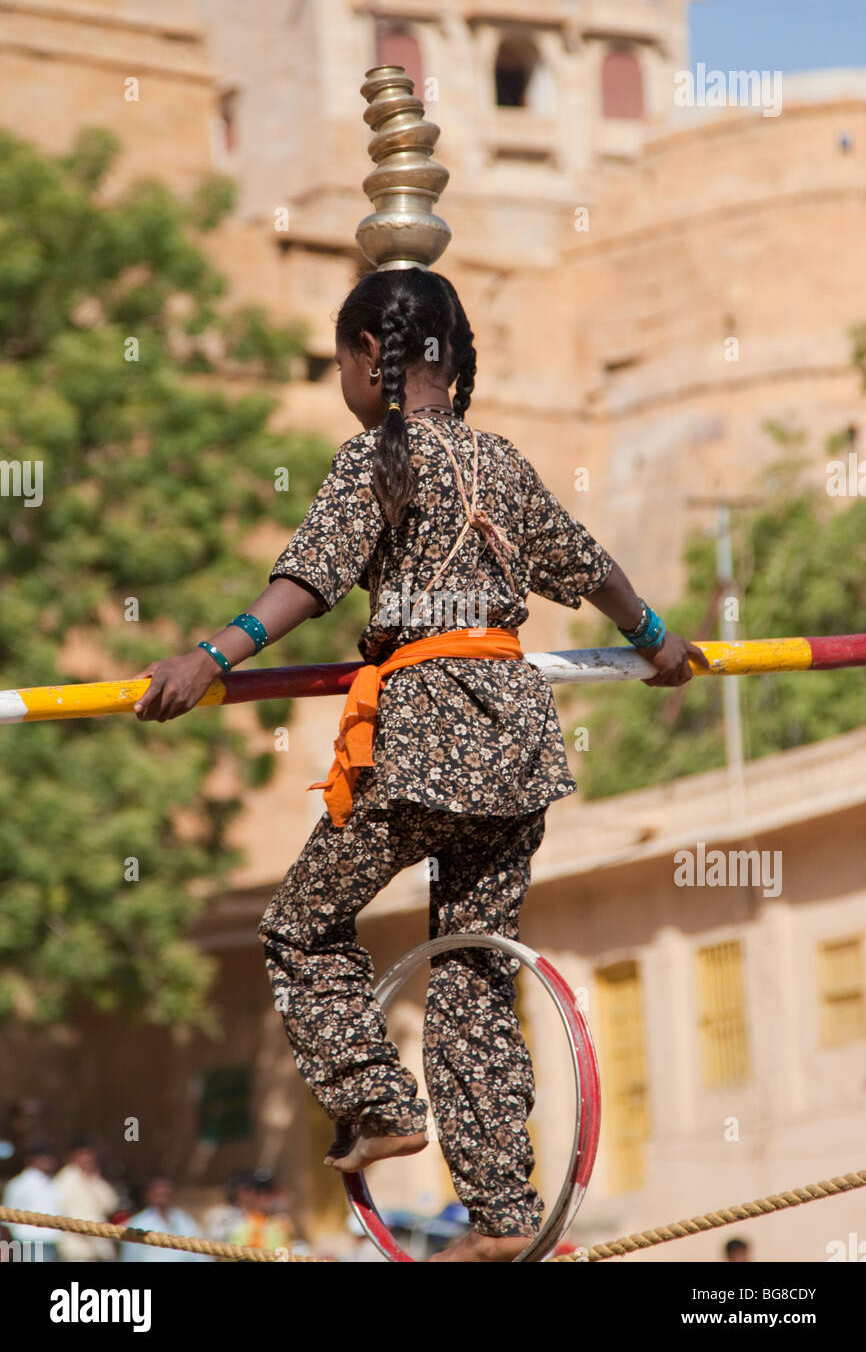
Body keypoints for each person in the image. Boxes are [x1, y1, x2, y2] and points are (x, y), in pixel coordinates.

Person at [129, 267, 708, 1262]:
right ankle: (498, 1217)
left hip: (425, 742)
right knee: (475, 967)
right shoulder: (499, 462)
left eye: (339, 361)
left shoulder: (376, 459)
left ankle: (372, 1100)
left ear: (367, 358)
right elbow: (588, 564)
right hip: (518, 744)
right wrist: (656, 640)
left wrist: (207, 656)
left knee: (302, 922)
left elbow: (305, 584)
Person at [54, 1137, 119, 1262]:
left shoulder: (94, 1178)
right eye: (82, 1154)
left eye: (89, 1154)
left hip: (100, 1246)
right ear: (71, 1156)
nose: (87, 1158)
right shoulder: (66, 1179)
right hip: (77, 1249)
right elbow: (70, 1213)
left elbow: (110, 1204)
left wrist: (95, 1178)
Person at [121, 1176, 210, 1263]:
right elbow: (130, 1256)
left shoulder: (185, 1221)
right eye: (158, 1195)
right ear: (148, 1195)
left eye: (166, 1195)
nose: (162, 1199)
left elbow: (199, 1254)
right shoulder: (138, 1223)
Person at [1, 1140, 63, 1261]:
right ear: (30, 1159)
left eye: (49, 1156)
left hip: (53, 1243)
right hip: (29, 1244)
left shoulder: (54, 1183)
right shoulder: (19, 1184)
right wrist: (5, 1249)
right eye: (42, 1156)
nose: (47, 1160)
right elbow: (6, 1220)